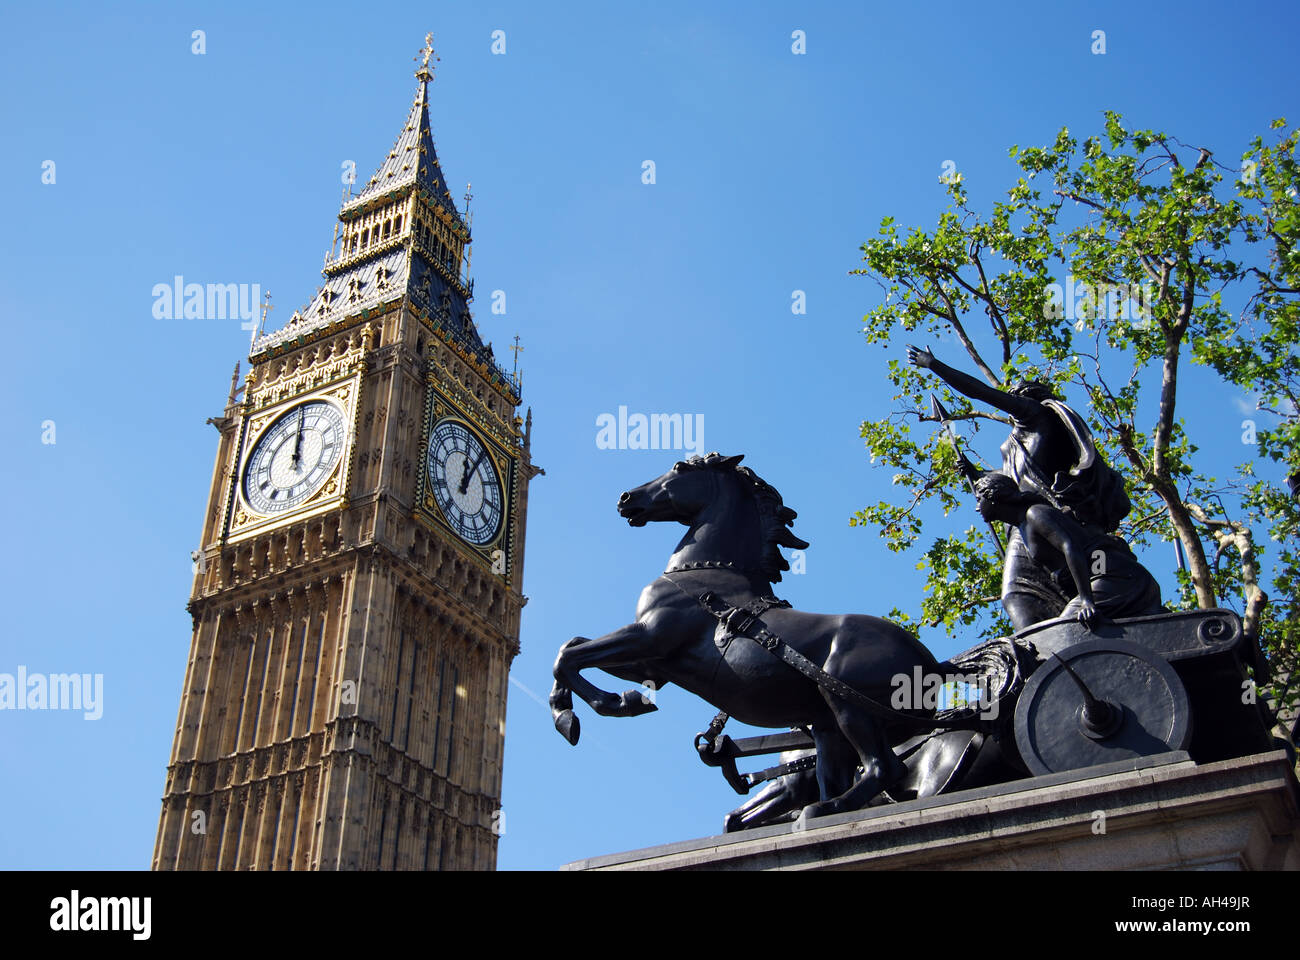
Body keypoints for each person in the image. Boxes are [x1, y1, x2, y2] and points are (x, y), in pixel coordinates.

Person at [906, 344, 1131, 630]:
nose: (1010, 400)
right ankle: (1038, 652)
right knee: (1014, 594)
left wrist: (934, 365)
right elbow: (1010, 478)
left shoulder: (1038, 417)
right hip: (1019, 525)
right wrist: (978, 473)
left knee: (1022, 590)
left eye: (1015, 396)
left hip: (1045, 515)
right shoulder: (1015, 439)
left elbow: (980, 392)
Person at [973, 473, 1162, 626]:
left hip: (1111, 572)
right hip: (1100, 575)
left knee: (1065, 629)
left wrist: (1087, 600)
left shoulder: (1035, 513)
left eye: (979, 499)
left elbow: (1071, 548)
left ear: (993, 496)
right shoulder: (1022, 525)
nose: (976, 507)